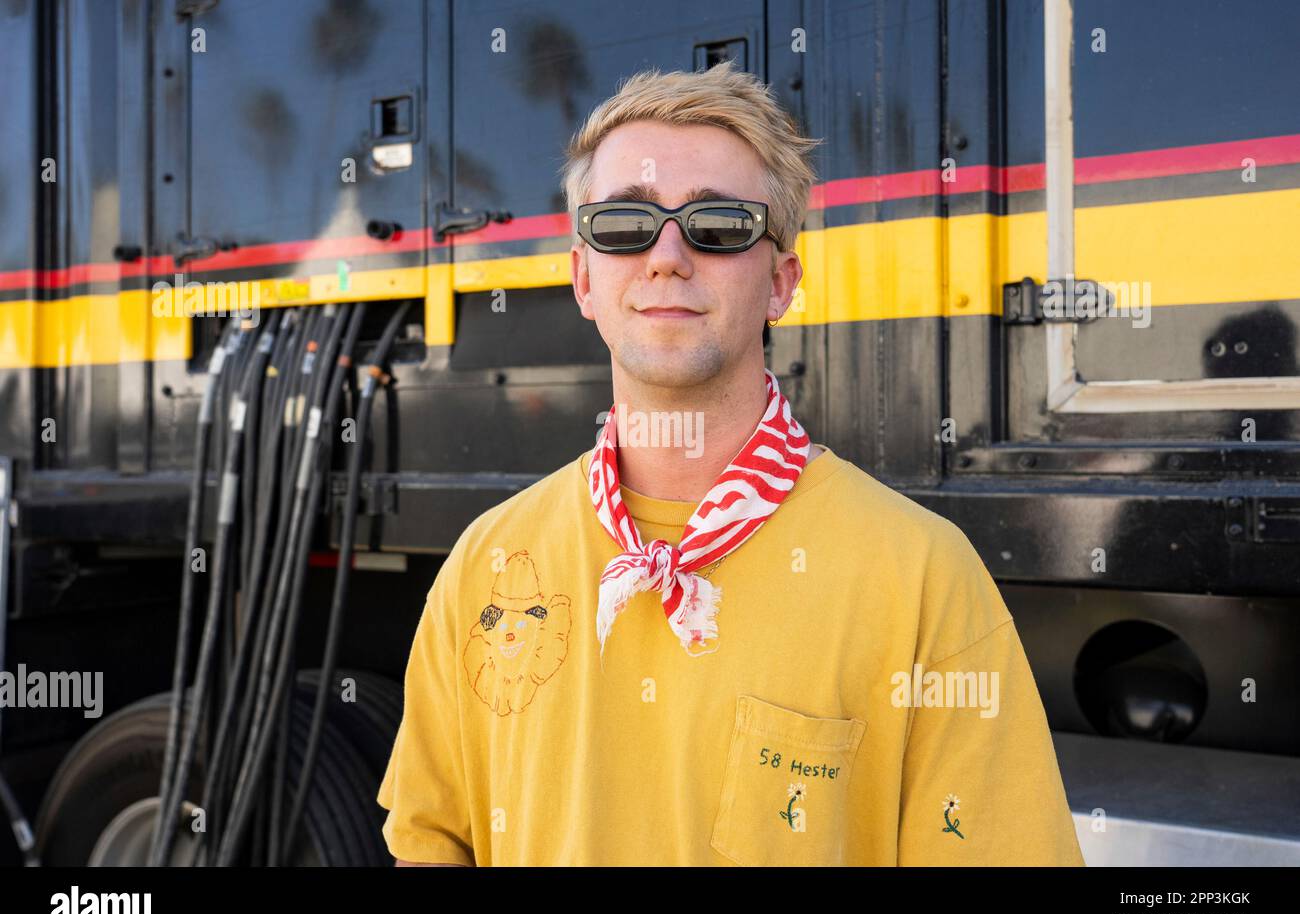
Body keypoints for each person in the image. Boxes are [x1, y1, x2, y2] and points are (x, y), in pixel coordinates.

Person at [377, 61, 1084, 866]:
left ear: (781, 282)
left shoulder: (920, 580)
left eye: (719, 225)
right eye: (623, 224)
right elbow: (431, 844)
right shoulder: (485, 567)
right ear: (582, 276)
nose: (668, 256)